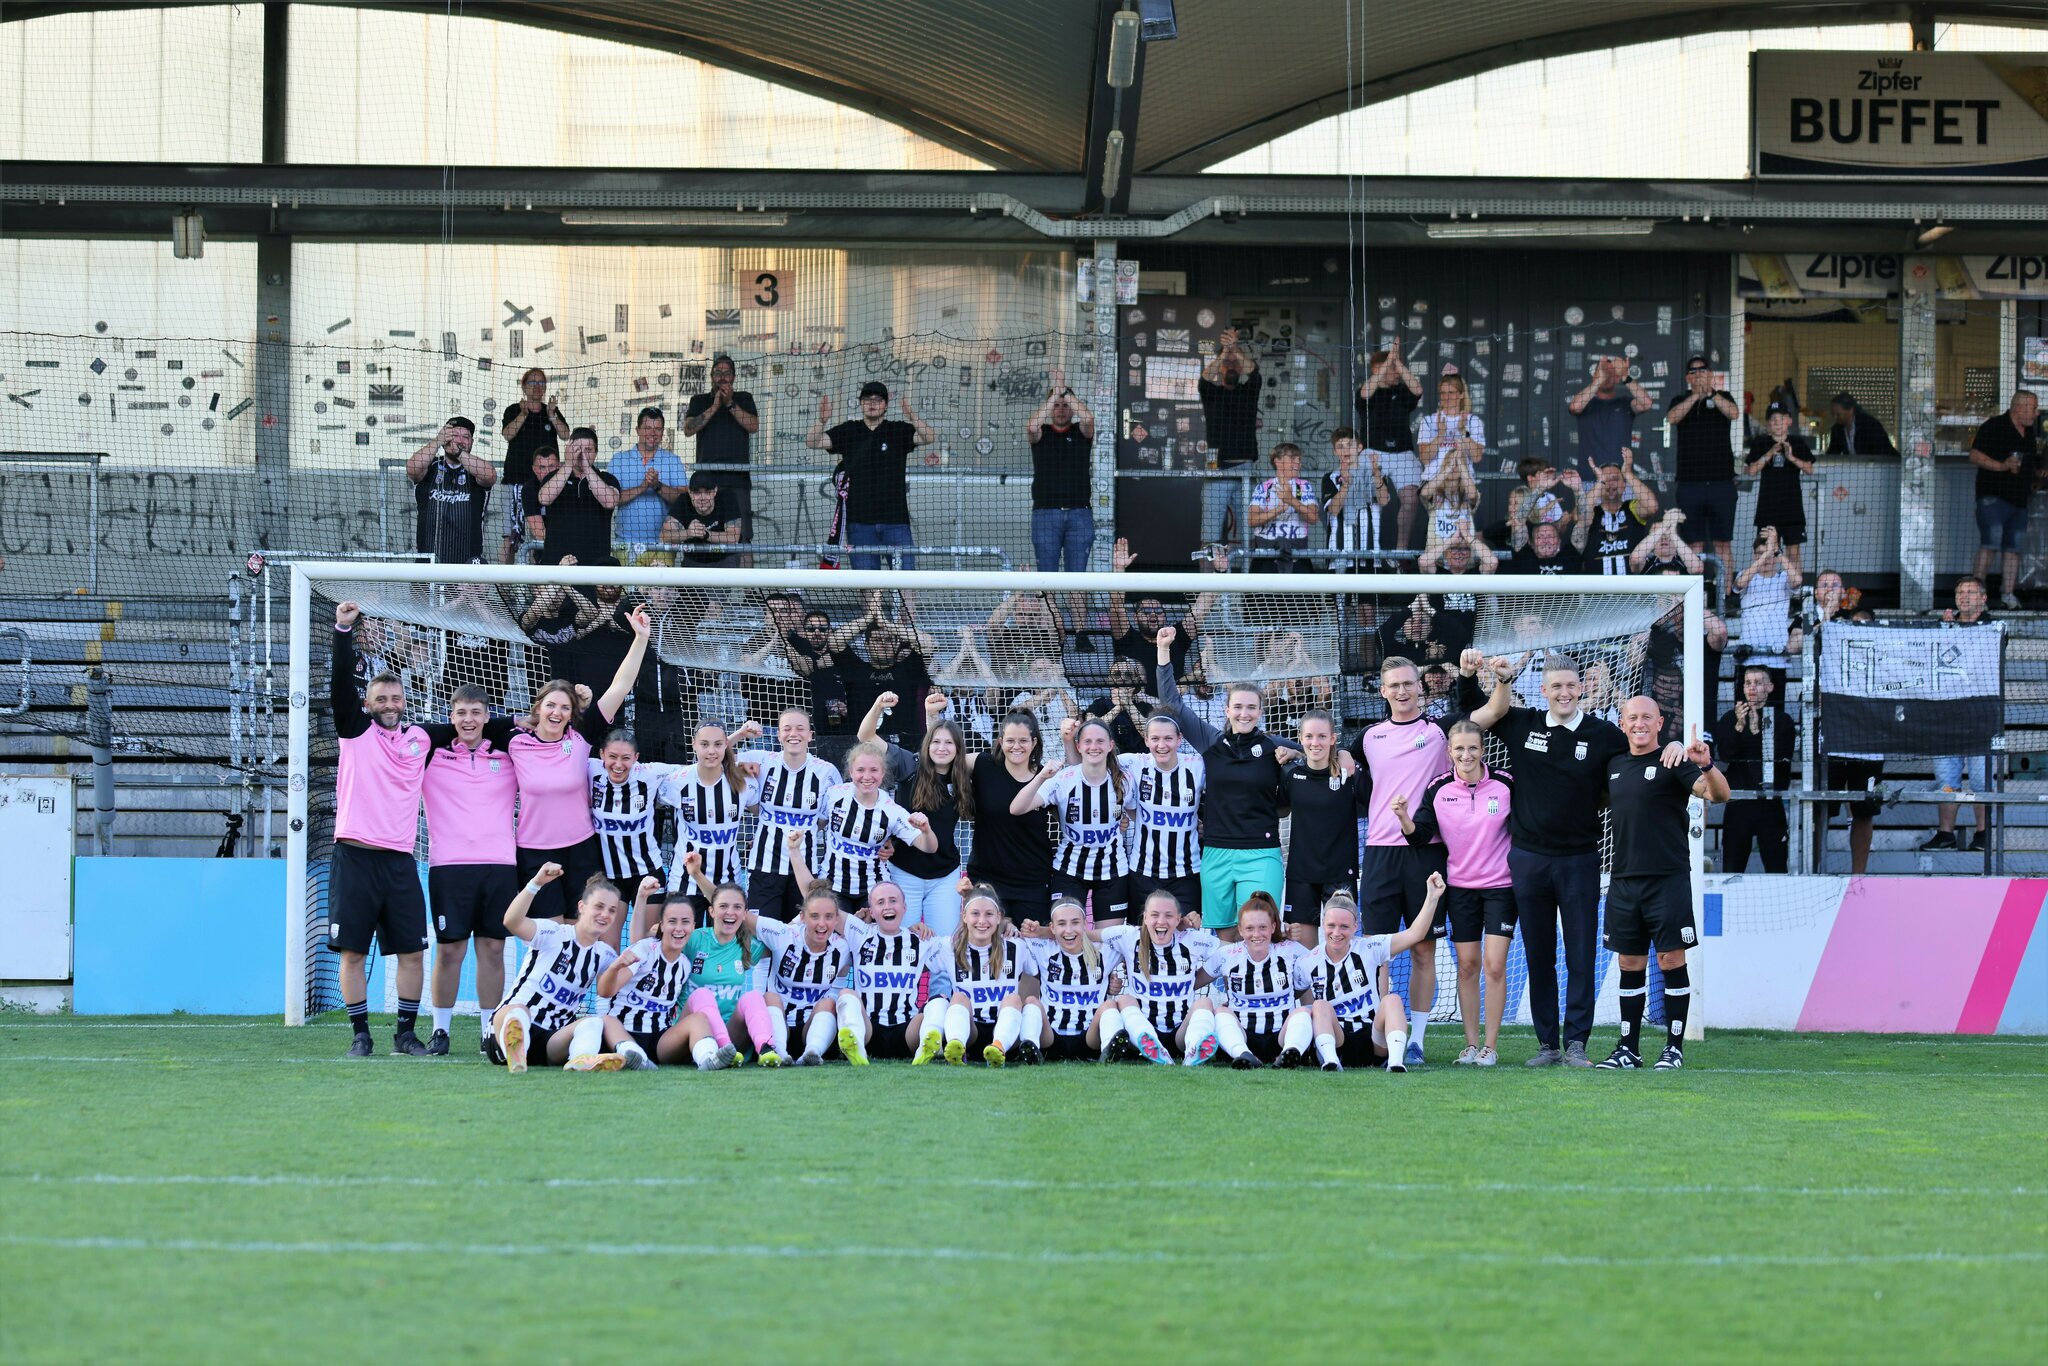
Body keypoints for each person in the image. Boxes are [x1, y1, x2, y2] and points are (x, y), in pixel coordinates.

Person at [1468, 651, 1674, 1068]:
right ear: (1543, 691)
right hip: (1527, 859)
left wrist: (1671, 748)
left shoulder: (1604, 734)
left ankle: (1576, 1043)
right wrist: (1498, 680)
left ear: (1581, 689)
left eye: (1570, 686)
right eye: (1555, 687)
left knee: (1580, 955)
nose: (1564, 693)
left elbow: (1641, 749)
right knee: (1539, 954)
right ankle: (1547, 1045)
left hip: (1580, 859)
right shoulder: (1522, 722)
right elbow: (1476, 719)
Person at [327, 601, 435, 1057]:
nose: (390, 706)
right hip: (353, 858)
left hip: (399, 861)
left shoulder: (421, 738)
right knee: (352, 953)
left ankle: (406, 1034)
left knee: (412, 952)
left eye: (396, 699)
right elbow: (338, 685)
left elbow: (472, 726)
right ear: (368, 704)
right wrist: (343, 631)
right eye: (381, 700)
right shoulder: (355, 731)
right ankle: (360, 1034)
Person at [1597, 699, 1728, 1070]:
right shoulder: (1613, 765)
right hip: (1622, 881)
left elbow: (1718, 794)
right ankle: (1628, 1049)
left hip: (1667, 879)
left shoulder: (1674, 762)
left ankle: (1673, 1048)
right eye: (1632, 718)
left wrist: (1706, 763)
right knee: (1629, 962)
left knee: (1671, 959)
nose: (1639, 724)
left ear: (1660, 723)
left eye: (1646, 718)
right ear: (1622, 723)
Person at [508, 606, 651, 935]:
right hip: (535, 851)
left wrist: (640, 639)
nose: (557, 712)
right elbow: (472, 727)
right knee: (548, 936)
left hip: (581, 848)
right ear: (538, 708)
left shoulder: (580, 736)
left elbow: (620, 686)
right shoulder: (515, 741)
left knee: (580, 935)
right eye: (551, 705)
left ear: (572, 712)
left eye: (564, 706)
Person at [1345, 655, 1455, 1066]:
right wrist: (1339, 755)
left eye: (1409, 683)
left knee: (1424, 950)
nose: (1403, 691)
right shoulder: (1371, 737)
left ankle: (1418, 1041)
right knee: (1378, 953)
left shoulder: (1440, 731)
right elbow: (1339, 755)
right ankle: (1379, 1036)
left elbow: (1491, 712)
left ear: (1420, 687)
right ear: (1383, 690)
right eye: (1394, 685)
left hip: (1426, 850)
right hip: (1379, 853)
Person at [1155, 626, 1295, 942]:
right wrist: (1164, 650)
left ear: (1260, 711)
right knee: (1224, 936)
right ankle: (1229, 993)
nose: (1244, 713)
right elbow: (1172, 704)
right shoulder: (1211, 742)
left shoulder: (1276, 746)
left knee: (1259, 932)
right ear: (1227, 709)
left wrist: (1332, 755)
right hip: (1216, 851)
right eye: (1238, 707)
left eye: (1251, 707)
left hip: (1261, 852)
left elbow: (1318, 750)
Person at [1393, 720, 1514, 1066]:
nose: (1466, 754)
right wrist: (1403, 817)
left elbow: (1523, 826)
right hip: (1460, 889)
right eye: (1459, 748)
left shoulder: (1505, 784)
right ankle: (1471, 1045)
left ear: (1483, 749)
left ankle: (1491, 1047)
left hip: (1500, 888)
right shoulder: (1439, 788)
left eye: (1473, 747)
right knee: (1467, 966)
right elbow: (1420, 835)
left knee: (1493, 966)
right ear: (1449, 752)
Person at [417, 683, 519, 1056]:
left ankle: (488, 1031)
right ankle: (440, 1031)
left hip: (500, 867)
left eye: (476, 712)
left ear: (487, 717)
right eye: (461, 713)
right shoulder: (432, 755)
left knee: (492, 949)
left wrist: (505, 727)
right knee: (450, 951)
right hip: (449, 867)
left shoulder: (509, 756)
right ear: (451, 717)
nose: (468, 720)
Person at [1282, 883, 1441, 1073]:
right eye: (1331, 925)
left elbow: (1415, 934)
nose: (1336, 933)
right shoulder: (1307, 962)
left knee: (1392, 1000)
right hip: (1336, 1038)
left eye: (1344, 927)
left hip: (1373, 1041)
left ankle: (1396, 1063)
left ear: (1356, 926)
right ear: (1323, 923)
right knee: (1319, 1006)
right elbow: (1289, 996)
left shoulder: (1370, 947)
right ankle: (1331, 1062)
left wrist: (1432, 897)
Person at [490, 864, 625, 1073]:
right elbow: (512, 921)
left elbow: (612, 989)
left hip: (551, 1041)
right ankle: (516, 1048)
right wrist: (536, 883)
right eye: (599, 907)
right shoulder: (552, 933)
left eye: (612, 910)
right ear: (582, 907)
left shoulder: (605, 955)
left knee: (593, 1022)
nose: (605, 914)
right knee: (518, 1012)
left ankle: (580, 1060)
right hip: (505, 1030)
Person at [859, 690, 971, 934]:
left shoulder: (963, 775)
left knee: (943, 949)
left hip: (945, 875)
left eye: (949, 743)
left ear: (958, 748)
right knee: (900, 945)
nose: (941, 748)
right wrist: (878, 705)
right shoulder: (909, 763)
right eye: (936, 742)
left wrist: (932, 715)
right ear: (927, 744)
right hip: (903, 872)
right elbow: (865, 735)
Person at [597, 882, 738, 1071]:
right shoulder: (645, 949)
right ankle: (633, 1055)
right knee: (606, 1021)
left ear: (693, 926)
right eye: (672, 921)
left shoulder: (685, 965)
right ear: (662, 925)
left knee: (698, 1019)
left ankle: (708, 1059)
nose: (679, 928)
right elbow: (606, 992)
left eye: (685, 922)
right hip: (624, 1032)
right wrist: (615, 967)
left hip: (660, 1041)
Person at [1012, 716, 1134, 926]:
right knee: (1066, 935)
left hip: (1113, 872)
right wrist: (1041, 777)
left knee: (1106, 942)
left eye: (1099, 741)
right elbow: (1017, 808)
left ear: (1110, 745)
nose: (1093, 747)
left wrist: (1123, 823)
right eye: (1087, 741)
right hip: (1069, 871)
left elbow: (1134, 814)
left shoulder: (1124, 780)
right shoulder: (1064, 779)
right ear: (1078, 746)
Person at [805, 381, 935, 570]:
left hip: (895, 521)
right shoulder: (849, 430)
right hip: (859, 523)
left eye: (878, 399)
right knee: (868, 583)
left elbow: (929, 437)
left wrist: (912, 416)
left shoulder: (898, 430)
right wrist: (822, 420)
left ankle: (908, 603)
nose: (872, 404)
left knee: (907, 578)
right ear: (860, 403)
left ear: (886, 404)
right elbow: (812, 442)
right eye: (867, 399)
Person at [735, 705, 842, 920]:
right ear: (778, 735)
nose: (794, 734)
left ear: (810, 735)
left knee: (798, 936)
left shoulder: (826, 772)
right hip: (764, 867)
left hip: (804, 869)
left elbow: (824, 821)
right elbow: (714, 755)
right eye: (787, 729)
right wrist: (740, 734)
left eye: (800, 729)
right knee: (761, 933)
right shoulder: (763, 760)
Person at [833, 877, 950, 1064]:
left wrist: (1005, 925)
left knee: (940, 1001)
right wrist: (794, 853)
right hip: (868, 1030)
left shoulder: (921, 940)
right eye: (880, 902)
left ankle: (926, 1049)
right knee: (846, 994)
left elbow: (964, 943)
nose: (887, 906)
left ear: (905, 907)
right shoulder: (860, 933)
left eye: (893, 901)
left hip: (907, 1033)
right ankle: (856, 1048)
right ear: (871, 911)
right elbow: (821, 906)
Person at [1922, 576, 1999, 853]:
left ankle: (1983, 834)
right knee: (1946, 779)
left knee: (1980, 779)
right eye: (1959, 592)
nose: (1964, 597)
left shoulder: (1994, 628)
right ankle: (1946, 834)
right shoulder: (1944, 626)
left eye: (1970, 592)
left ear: (1983, 598)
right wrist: (1945, 630)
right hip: (1947, 716)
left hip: (1981, 716)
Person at [1101, 890, 1222, 1065]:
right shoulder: (1129, 936)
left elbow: (1228, 953)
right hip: (1142, 1028)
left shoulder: (1191, 940)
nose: (1161, 921)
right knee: (1124, 999)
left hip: (1181, 1033)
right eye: (1155, 915)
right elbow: (1088, 937)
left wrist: (1198, 979)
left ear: (1178, 919)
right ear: (1145, 918)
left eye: (1169, 915)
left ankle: (1194, 1049)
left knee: (1205, 1002)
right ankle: (1152, 1044)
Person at [814, 741, 936, 914]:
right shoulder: (834, 794)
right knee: (836, 936)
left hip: (873, 889)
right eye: (860, 770)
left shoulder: (891, 811)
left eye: (873, 770)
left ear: (883, 773)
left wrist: (926, 830)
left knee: (870, 937)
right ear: (851, 772)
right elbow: (817, 825)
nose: (867, 776)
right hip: (833, 885)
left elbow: (929, 847)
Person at [1281, 710, 1368, 948]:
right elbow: (1279, 808)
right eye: (1309, 736)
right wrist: (1292, 753)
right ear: (1300, 738)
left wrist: (1345, 753)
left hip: (1340, 875)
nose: (1315, 742)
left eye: (1322, 736)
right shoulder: (1291, 773)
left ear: (1332, 738)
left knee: (1339, 951)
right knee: (1302, 956)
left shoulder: (1349, 774)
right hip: (1301, 875)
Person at [964, 710, 1056, 926]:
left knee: (1030, 945)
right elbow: (940, 758)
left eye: (1023, 740)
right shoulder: (982, 764)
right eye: (1010, 740)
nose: (1017, 746)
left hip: (1033, 882)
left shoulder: (1047, 778)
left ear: (1034, 742)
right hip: (988, 879)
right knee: (989, 944)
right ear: (1000, 741)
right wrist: (931, 716)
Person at [678, 879, 783, 1065]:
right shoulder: (694, 939)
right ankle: (721, 1050)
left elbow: (787, 936)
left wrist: (804, 917)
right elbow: (654, 946)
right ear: (712, 911)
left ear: (744, 914)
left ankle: (766, 1049)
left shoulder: (748, 946)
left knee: (753, 997)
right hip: (694, 1031)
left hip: (731, 1032)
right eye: (723, 906)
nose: (730, 912)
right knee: (702, 995)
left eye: (737, 907)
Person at [1025, 366, 1097, 637]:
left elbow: (1088, 417)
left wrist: (1064, 391)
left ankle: (1080, 633)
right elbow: (1031, 426)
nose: (1061, 408)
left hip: (1080, 514)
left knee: (1077, 577)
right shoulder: (1040, 434)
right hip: (1046, 514)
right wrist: (1055, 393)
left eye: (1066, 404)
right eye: (1057, 404)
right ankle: (1052, 630)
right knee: (1048, 575)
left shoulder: (1081, 432)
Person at [933, 885, 1040, 1066]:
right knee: (957, 997)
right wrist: (915, 929)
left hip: (1008, 1034)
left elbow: (1042, 969)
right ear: (964, 917)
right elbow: (912, 960)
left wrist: (1038, 932)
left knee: (1015, 999)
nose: (982, 921)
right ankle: (956, 1046)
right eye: (975, 914)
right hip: (970, 1031)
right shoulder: (948, 946)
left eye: (989, 914)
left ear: (999, 918)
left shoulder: (1017, 946)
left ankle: (998, 1048)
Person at [1194, 893, 1304, 1068]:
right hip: (1242, 1037)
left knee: (1304, 1013)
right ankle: (1242, 1054)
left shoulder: (1290, 949)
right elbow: (1192, 982)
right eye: (1250, 928)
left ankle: (1289, 1054)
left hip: (1281, 1038)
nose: (1256, 934)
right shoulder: (1227, 954)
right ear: (1240, 930)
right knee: (1221, 1013)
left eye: (1263, 927)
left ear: (1274, 926)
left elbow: (1320, 967)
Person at [1118, 712, 1206, 916]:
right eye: (1155, 738)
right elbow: (1091, 761)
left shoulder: (1197, 765)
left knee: (1187, 937)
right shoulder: (1135, 763)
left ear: (1179, 739)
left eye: (1168, 738)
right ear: (1146, 739)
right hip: (1143, 873)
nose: (1162, 745)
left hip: (1187, 874)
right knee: (1143, 939)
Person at [663, 718, 757, 910]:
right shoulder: (676, 782)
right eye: (704, 744)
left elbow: (764, 815)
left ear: (725, 746)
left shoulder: (743, 783)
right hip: (684, 881)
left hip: (728, 880)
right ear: (694, 745)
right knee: (683, 939)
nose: (711, 751)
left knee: (726, 940)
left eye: (718, 744)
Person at [1107, 537, 1218, 696]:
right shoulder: (1127, 639)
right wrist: (1118, 570)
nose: (1153, 614)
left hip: (1174, 709)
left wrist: (1220, 572)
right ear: (1135, 617)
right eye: (1146, 612)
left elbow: (1201, 609)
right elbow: (1117, 608)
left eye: (1159, 611)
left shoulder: (1177, 636)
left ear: (1164, 617)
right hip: (1136, 708)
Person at [1667, 357, 1742, 580]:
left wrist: (1710, 394)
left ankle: (1726, 594)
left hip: (1721, 482)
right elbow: (1672, 418)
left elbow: (1734, 413)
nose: (1698, 374)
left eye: (1703, 370)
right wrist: (1695, 396)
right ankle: (1694, 595)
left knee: (1723, 543)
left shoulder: (1723, 397)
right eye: (1694, 371)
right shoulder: (1680, 399)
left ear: (1711, 374)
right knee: (1693, 542)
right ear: (1688, 377)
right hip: (1691, 483)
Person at [1019, 896, 1120, 1061]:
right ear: (1051, 927)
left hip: (1090, 1037)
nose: (1069, 930)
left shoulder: (1104, 951)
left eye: (1075, 922)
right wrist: (1010, 926)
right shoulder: (1041, 947)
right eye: (1061, 924)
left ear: (1085, 924)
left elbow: (1132, 935)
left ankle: (1109, 1053)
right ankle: (1030, 1048)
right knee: (1031, 1001)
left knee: (1110, 1005)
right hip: (1050, 1037)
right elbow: (1008, 938)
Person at [1718, 664, 1795, 874]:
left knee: (1776, 868)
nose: (1752, 688)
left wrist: (1755, 732)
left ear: (1770, 687)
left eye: (1759, 683)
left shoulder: (1783, 721)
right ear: (1742, 687)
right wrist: (1739, 728)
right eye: (1748, 683)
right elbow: (1725, 755)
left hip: (1770, 804)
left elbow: (1781, 757)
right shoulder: (1730, 719)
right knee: (1732, 868)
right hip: (1738, 802)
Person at [1968, 389, 2041, 609]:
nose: (2037, 413)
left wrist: (2034, 479)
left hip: (2019, 499)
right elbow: (1974, 455)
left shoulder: (2029, 433)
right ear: (2019, 408)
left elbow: (2027, 463)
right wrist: (2002, 466)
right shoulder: (1994, 426)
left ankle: (2008, 593)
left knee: (2013, 548)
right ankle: (1976, 594)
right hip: (1993, 497)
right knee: (1990, 544)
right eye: (2033, 408)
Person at [682, 354, 760, 558]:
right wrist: (715, 405)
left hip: (738, 481)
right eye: (718, 373)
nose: (722, 377)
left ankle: (748, 590)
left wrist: (730, 403)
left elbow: (753, 426)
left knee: (742, 537)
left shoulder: (744, 398)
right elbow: (688, 429)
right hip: (705, 482)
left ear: (733, 377)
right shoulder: (699, 400)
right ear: (711, 376)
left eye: (727, 373)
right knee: (702, 534)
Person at [1197, 326, 1262, 549]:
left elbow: (1254, 372)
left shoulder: (1249, 391)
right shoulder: (1211, 393)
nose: (1231, 365)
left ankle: (1246, 583)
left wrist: (1234, 349)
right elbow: (1204, 379)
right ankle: (1208, 585)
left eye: (1235, 363)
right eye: (1227, 364)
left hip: (1245, 469)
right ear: (1220, 368)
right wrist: (1225, 352)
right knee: (1210, 533)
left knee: (1250, 533)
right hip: (1218, 470)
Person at [1356, 349, 1425, 552]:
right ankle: (1364, 550)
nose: (1397, 373)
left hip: (1403, 452)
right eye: (1393, 368)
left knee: (1411, 500)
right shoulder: (1367, 391)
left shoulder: (1403, 391)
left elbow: (1418, 389)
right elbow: (1365, 393)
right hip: (1372, 452)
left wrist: (1397, 360)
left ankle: (1400, 551)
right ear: (1378, 369)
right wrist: (1388, 363)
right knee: (1363, 498)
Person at [407, 418, 496, 564]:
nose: (459, 441)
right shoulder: (431, 466)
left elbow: (490, 476)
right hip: (428, 562)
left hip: (468, 564)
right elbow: (412, 469)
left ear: (472, 442)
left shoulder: (475, 469)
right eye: (454, 435)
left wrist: (459, 453)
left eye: (465, 437)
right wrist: (437, 441)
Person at [500, 368, 567, 555]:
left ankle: (536, 582)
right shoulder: (514, 410)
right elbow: (507, 434)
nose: (537, 387)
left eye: (541, 383)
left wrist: (553, 415)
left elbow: (565, 434)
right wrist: (523, 414)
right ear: (523, 386)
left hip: (546, 484)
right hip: (516, 481)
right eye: (532, 382)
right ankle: (503, 584)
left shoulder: (551, 411)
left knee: (540, 537)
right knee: (511, 537)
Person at [1744, 403, 1815, 578]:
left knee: (1793, 552)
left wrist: (1791, 457)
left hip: (1792, 508)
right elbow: (1751, 470)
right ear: (1768, 424)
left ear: (1789, 421)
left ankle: (1795, 593)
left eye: (1782, 418)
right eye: (1773, 419)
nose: (1777, 422)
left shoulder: (1797, 442)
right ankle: (1766, 590)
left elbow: (1809, 469)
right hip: (1767, 509)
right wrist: (1770, 453)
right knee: (1765, 552)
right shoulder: (1761, 442)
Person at [1416, 373, 1484, 554]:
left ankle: (1461, 565)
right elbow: (1425, 458)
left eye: (1452, 392)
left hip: (1462, 482)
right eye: (1443, 393)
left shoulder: (1473, 421)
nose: (1447, 397)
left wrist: (1463, 432)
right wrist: (1440, 434)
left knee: (1462, 525)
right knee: (1436, 525)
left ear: (1461, 394)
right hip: (1434, 483)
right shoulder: (1429, 421)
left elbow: (1477, 456)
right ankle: (1434, 563)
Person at [534, 427, 622, 565]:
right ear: (569, 450)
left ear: (596, 453)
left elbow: (610, 502)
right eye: (578, 449)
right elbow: (544, 498)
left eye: (588, 450)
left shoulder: (607, 478)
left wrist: (586, 467)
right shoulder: (554, 477)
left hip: (595, 565)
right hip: (556, 563)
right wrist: (568, 464)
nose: (582, 454)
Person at [1731, 527, 1800, 699]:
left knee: (1775, 715)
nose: (1766, 557)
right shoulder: (1746, 576)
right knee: (1744, 712)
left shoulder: (1783, 578)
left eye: (1769, 554)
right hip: (1748, 658)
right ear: (1754, 555)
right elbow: (1738, 584)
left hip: (1776, 658)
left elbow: (1797, 581)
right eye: (1760, 553)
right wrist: (1765, 555)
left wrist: (1776, 550)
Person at [608, 407, 688, 551]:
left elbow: (684, 499)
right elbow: (612, 499)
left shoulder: (673, 460)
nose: (653, 433)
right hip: (625, 543)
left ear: (663, 432)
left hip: (663, 543)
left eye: (658, 429)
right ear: (637, 430)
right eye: (647, 428)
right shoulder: (619, 460)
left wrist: (657, 486)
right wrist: (643, 486)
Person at [1322, 426, 1397, 572]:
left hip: (1371, 555)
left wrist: (1376, 474)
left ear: (1359, 448)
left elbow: (1383, 501)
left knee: (1369, 594)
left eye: (1350, 445)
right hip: (1340, 555)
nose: (1345, 450)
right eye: (1340, 447)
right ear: (1335, 452)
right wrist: (1346, 485)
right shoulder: (1330, 478)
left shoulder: (1374, 475)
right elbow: (1333, 509)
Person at [1567, 354, 1653, 479]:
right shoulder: (1585, 404)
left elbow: (1647, 404)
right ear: (1594, 377)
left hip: (1622, 481)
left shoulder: (1625, 403)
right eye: (1602, 371)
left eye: (1611, 373)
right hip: (1589, 479)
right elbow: (1574, 407)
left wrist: (1625, 376)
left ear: (1617, 379)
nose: (1606, 375)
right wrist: (1599, 380)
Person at [1576, 458, 1660, 576]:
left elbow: (1652, 507)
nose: (1610, 483)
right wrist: (1600, 482)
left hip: (1632, 590)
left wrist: (1628, 474)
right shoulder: (1592, 512)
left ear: (1624, 485)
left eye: (1615, 479)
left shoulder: (1632, 507)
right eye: (1605, 480)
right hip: (1596, 590)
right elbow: (1578, 516)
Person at [1246, 442, 1320, 572]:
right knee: (1261, 593)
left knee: (1302, 593)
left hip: (1297, 554)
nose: (1298, 463)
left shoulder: (1304, 486)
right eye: (1292, 458)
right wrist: (1278, 510)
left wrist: (1291, 500)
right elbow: (1252, 520)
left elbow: (1313, 518)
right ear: (1277, 462)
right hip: (1266, 555)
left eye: (1299, 459)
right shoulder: (1263, 487)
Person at [660, 471, 741, 566]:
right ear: (690, 493)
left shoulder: (727, 498)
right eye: (697, 493)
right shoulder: (683, 501)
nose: (702, 498)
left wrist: (705, 534)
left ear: (715, 491)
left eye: (707, 492)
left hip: (724, 558)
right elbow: (664, 536)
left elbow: (733, 538)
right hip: (694, 559)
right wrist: (689, 533)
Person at [1504, 457, 1578, 554]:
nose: (1547, 476)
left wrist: (1562, 523)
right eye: (1542, 474)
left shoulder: (1550, 497)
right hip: (1524, 550)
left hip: (1547, 551)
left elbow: (1560, 531)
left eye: (1547, 474)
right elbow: (1519, 521)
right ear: (1531, 478)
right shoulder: (1519, 494)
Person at [1084, 659, 1152, 754]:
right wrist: (1119, 706)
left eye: (1128, 674)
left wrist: (1129, 704)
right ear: (1109, 679)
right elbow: (1090, 729)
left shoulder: (1145, 707)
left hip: (1140, 761)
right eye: (1117, 674)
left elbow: (1150, 734)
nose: (1122, 678)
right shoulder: (1099, 704)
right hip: (1108, 761)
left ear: (1135, 679)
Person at [1825, 391, 1896, 459]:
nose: (1835, 417)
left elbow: (1882, 450)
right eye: (1833, 414)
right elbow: (1832, 453)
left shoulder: (1869, 425)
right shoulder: (1837, 430)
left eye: (1838, 414)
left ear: (1850, 410)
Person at [1507, 520, 1583, 576]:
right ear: (1531, 543)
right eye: (1540, 537)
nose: (1545, 541)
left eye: (1550, 536)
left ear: (1559, 541)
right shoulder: (1524, 558)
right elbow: (1518, 541)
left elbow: (1583, 523)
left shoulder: (1570, 557)